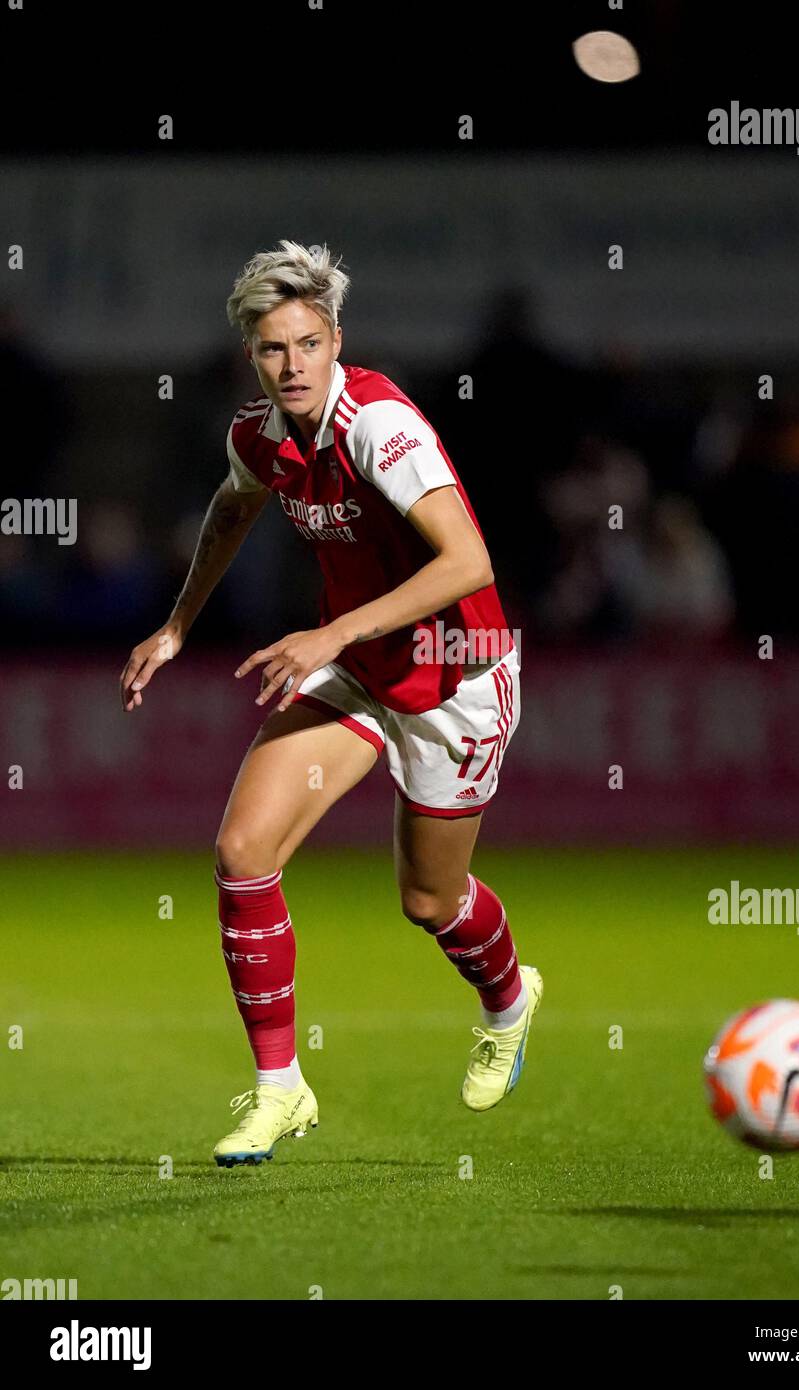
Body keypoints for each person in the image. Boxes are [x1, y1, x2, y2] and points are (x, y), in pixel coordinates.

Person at [119, 241, 541, 1166]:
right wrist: (179, 625)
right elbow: (234, 509)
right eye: (274, 349)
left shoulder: (378, 425)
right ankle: (281, 1088)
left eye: (309, 343)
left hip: (452, 671)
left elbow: (469, 563)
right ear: (253, 358)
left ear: (336, 339)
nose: (294, 364)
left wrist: (335, 632)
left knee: (429, 901)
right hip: (355, 669)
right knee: (241, 850)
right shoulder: (258, 437)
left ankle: (509, 1001)